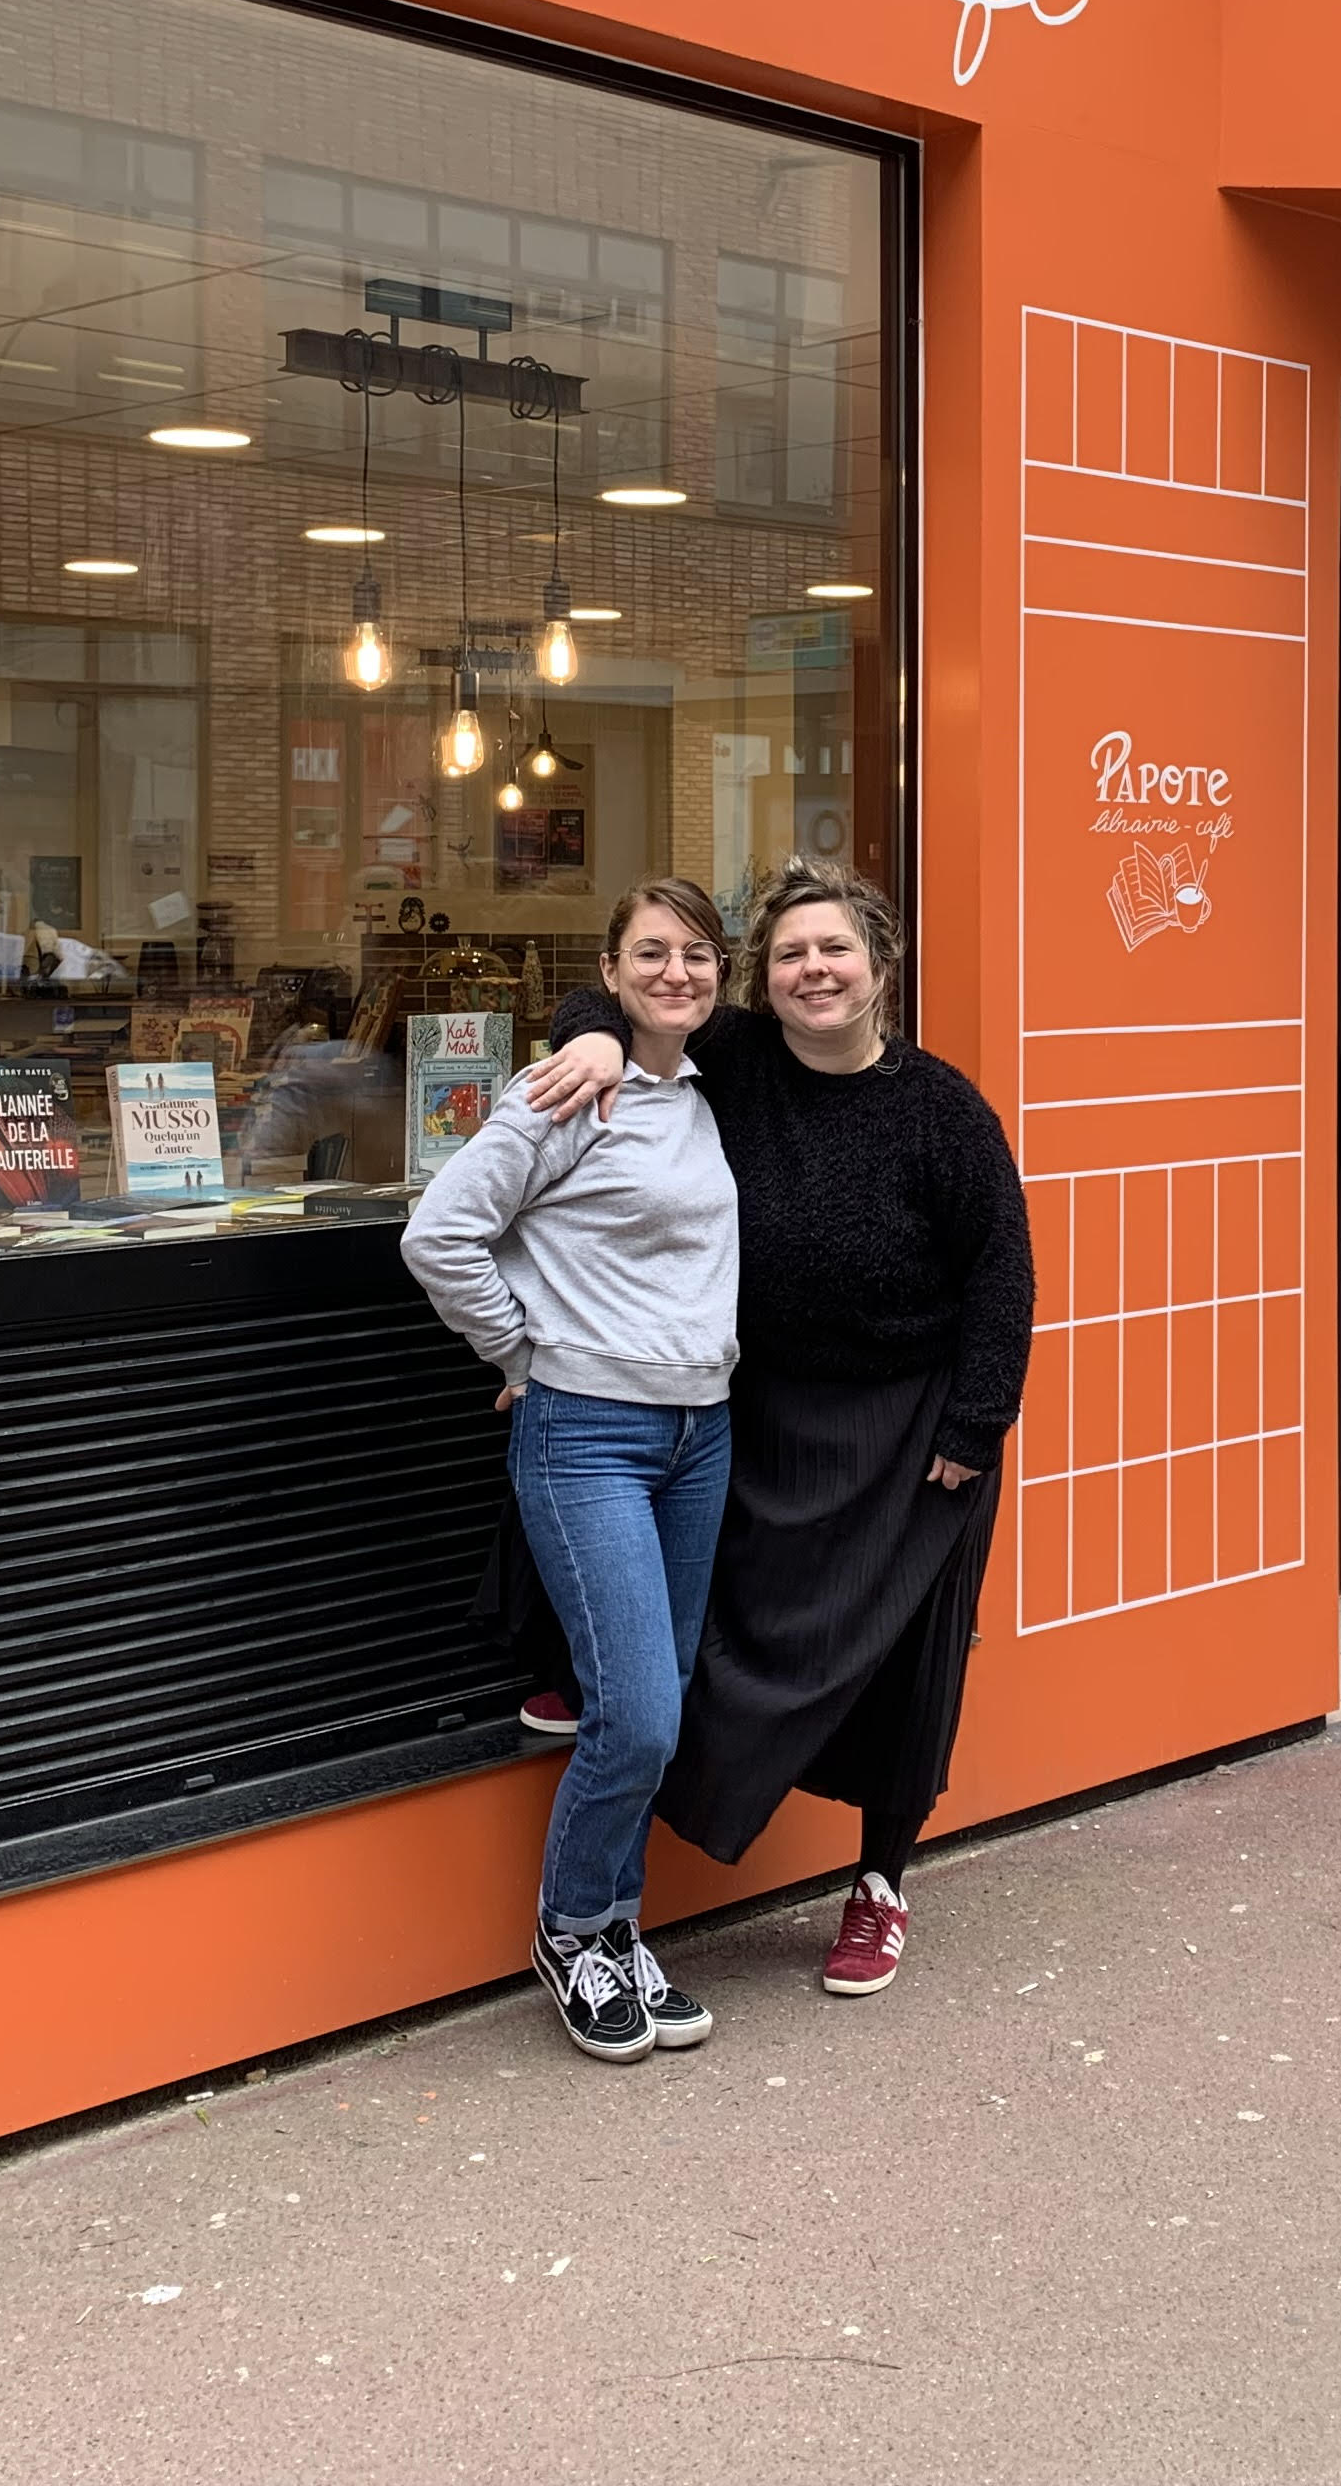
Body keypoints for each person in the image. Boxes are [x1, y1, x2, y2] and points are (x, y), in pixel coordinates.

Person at [518, 857, 1034, 1999]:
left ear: (879, 967)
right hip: (756, 1406)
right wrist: (589, 1034)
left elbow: (1003, 1273)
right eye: (792, 954)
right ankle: (581, 1676)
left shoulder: (944, 1110)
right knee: (704, 1617)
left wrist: (979, 1420)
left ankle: (881, 1890)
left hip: (914, 1430)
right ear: (768, 979)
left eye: (835, 949)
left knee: (910, 1662)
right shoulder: (736, 1060)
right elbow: (641, 991)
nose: (813, 970)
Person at [399, 878, 740, 2065]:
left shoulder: (707, 1092)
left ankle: (618, 1928)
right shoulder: (562, 1092)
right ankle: (570, 1928)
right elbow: (437, 1235)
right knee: (637, 1713)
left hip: (703, 1434)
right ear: (610, 967)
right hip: (587, 1431)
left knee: (661, 1703)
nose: (677, 974)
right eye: (651, 954)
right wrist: (521, 1353)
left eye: (698, 955)